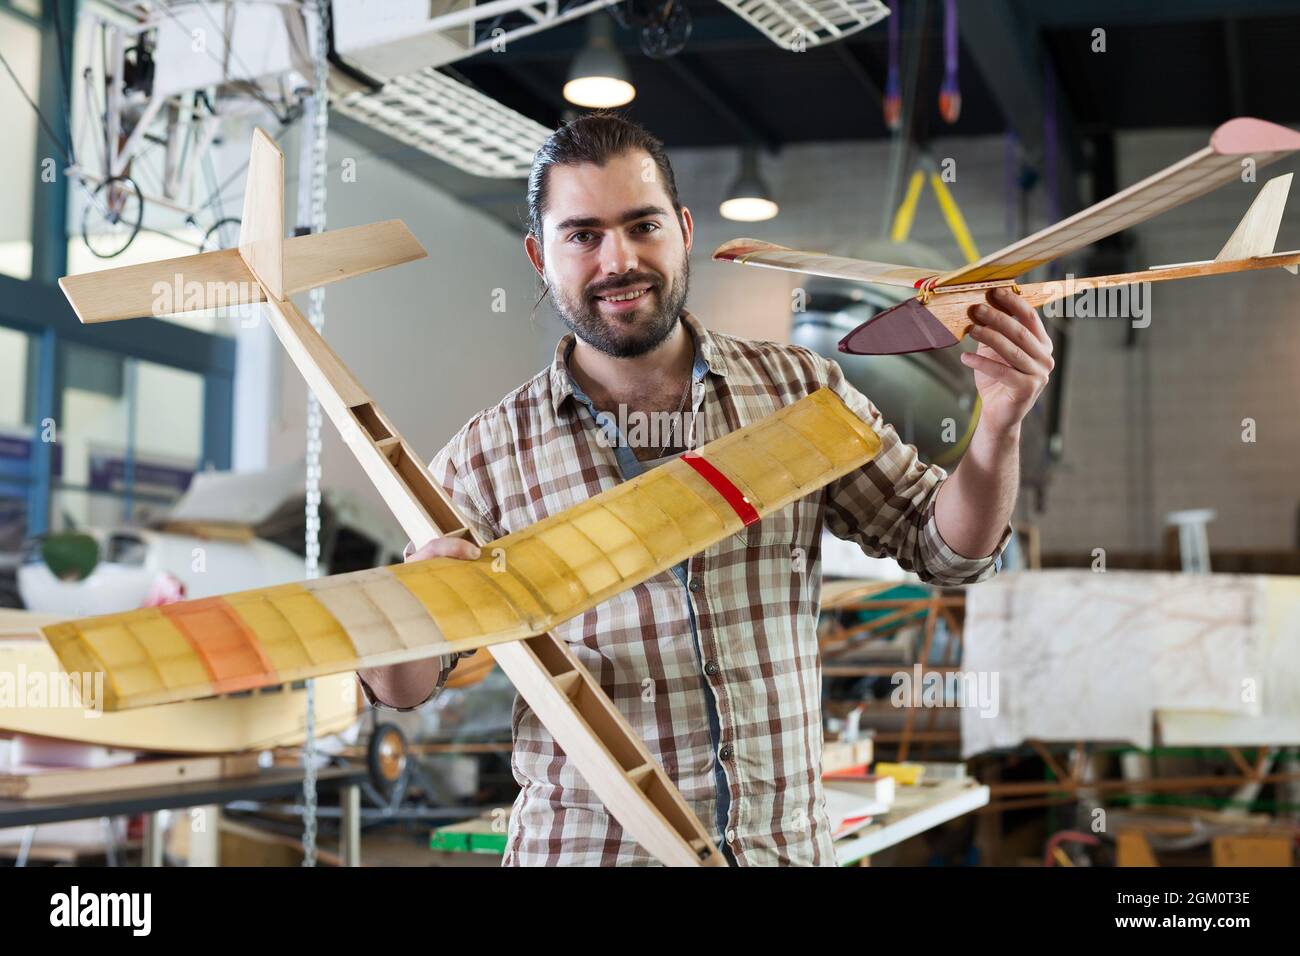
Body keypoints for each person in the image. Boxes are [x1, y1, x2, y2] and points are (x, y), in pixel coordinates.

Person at [357, 113, 1053, 866]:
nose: (617, 260)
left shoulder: (801, 395)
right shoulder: (486, 456)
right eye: (582, 235)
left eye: (642, 225)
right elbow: (402, 689)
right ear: (539, 255)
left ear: (684, 230)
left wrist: (1000, 427)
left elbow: (944, 549)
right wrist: (412, 609)